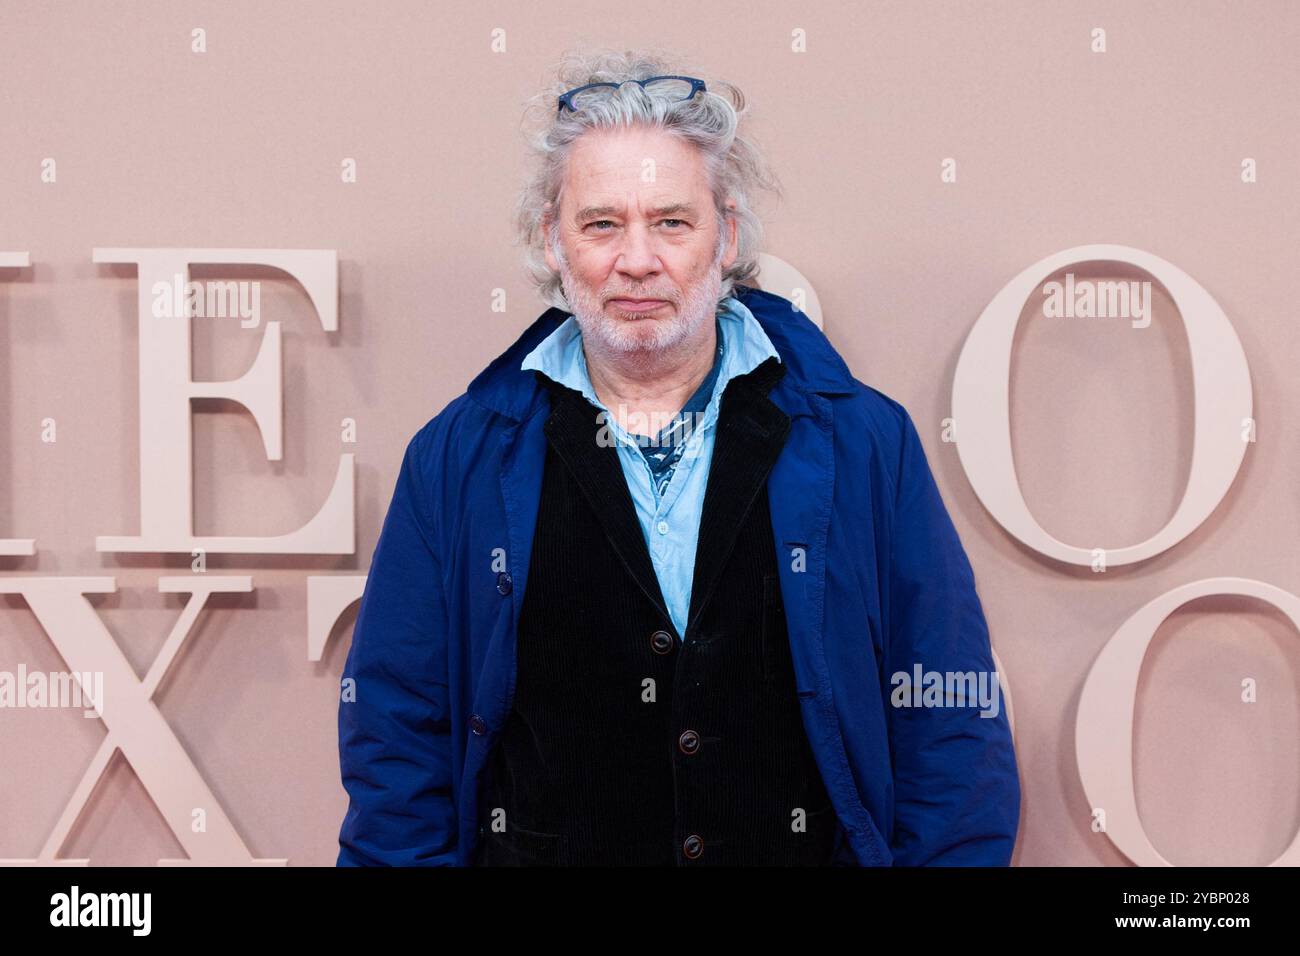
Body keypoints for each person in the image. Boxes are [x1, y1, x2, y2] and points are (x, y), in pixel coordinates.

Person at [336, 47, 1020, 866]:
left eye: (671, 221)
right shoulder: (460, 456)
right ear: (553, 242)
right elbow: (396, 729)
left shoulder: (865, 441)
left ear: (725, 236)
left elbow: (947, 724)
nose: (637, 260)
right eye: (601, 224)